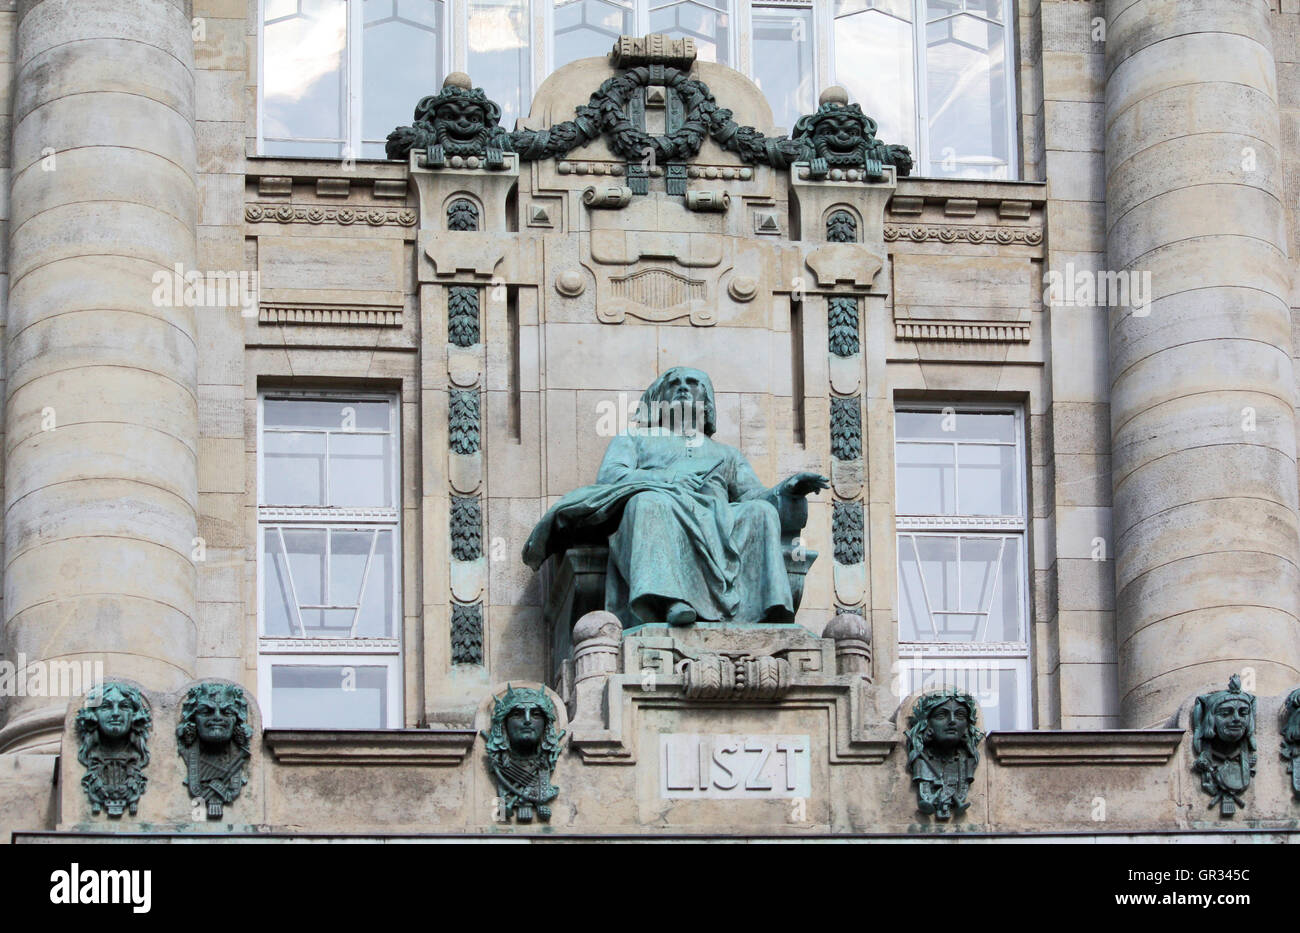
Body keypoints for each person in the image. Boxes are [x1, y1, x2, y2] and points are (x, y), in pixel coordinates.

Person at [523, 367, 828, 627]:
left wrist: (786, 490)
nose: (683, 387)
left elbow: (755, 496)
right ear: (659, 400)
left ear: (706, 401)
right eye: (674, 383)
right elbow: (611, 478)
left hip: (718, 518)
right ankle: (668, 602)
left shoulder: (726, 454)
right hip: (664, 509)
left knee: (760, 512)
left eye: (693, 383)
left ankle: (766, 608)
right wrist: (666, 480)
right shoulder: (636, 438)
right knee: (649, 503)